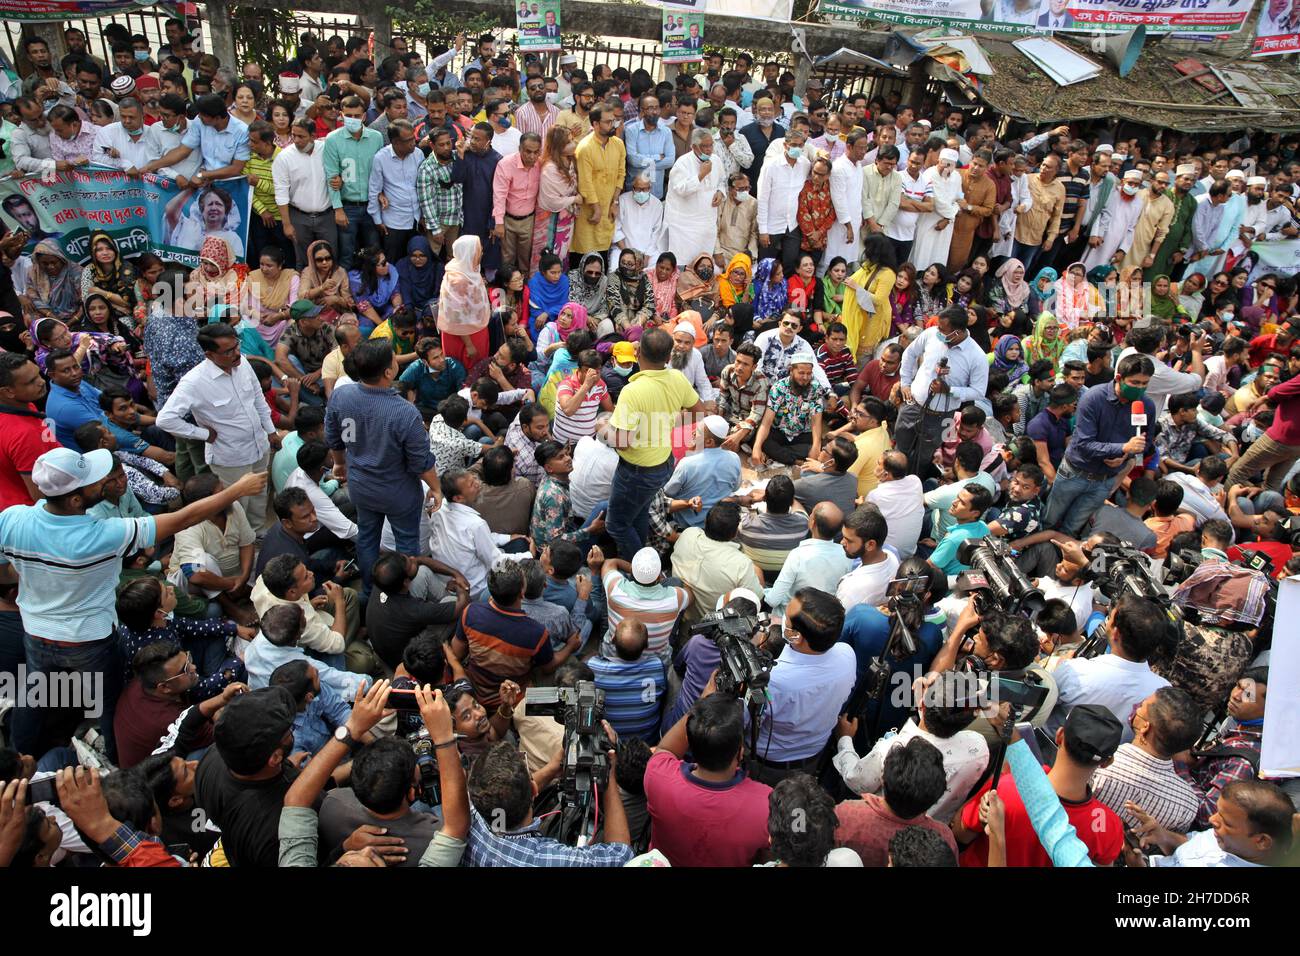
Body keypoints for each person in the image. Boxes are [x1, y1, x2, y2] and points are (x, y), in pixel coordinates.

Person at [324, 340, 441, 597]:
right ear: (388, 372)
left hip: (361, 487)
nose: (397, 360)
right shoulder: (404, 412)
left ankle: (369, 591)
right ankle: (402, 596)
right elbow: (420, 461)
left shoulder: (342, 396)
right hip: (398, 492)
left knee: (367, 538)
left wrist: (341, 463)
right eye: (393, 358)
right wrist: (436, 487)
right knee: (406, 545)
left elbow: (335, 435)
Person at [955, 704, 1125, 867]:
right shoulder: (1109, 825)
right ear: (1107, 762)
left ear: (1059, 735)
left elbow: (960, 834)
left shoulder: (1004, 789)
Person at [157, 323, 280, 531]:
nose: (236, 353)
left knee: (259, 493)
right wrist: (202, 434)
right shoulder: (194, 382)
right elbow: (165, 419)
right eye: (228, 351)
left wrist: (270, 430)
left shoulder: (244, 364)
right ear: (210, 354)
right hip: (231, 456)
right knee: (239, 504)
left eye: (237, 346)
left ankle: (259, 534)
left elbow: (258, 399)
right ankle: (242, 542)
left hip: (259, 445)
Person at [605, 328, 705, 558]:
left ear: (638, 353)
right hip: (662, 465)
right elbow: (699, 412)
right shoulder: (677, 378)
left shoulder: (632, 391)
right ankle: (644, 557)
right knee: (639, 514)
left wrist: (603, 429)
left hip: (637, 471)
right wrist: (666, 421)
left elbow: (621, 441)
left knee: (617, 525)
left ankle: (642, 570)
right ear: (669, 358)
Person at [642, 693, 773, 866]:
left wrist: (701, 704)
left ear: (687, 741)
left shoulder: (659, 776)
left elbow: (666, 749)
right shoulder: (767, 805)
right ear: (740, 752)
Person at [1042, 353, 1155, 537]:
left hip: (1104, 480)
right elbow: (1083, 444)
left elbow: (1146, 442)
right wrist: (1123, 448)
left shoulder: (1146, 405)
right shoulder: (1093, 398)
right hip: (1075, 472)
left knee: (1072, 527)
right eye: (1135, 383)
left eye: (1145, 384)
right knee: (1049, 520)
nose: (1140, 388)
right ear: (1119, 378)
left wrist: (1126, 456)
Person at [751, 588, 855, 786]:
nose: (781, 621)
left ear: (796, 636)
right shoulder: (847, 655)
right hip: (814, 756)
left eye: (786, 620)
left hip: (769, 765)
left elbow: (750, 721)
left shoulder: (775, 680)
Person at [895, 306, 989, 478]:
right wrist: (905, 383)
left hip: (943, 416)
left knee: (923, 459)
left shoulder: (977, 356)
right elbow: (909, 354)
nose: (938, 331)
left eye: (943, 329)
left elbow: (978, 391)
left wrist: (949, 390)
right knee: (899, 452)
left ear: (958, 332)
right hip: (912, 405)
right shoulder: (930, 334)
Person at [866, 450, 925, 560]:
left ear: (886, 474)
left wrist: (862, 505)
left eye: (879, 463)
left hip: (888, 556)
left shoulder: (876, 496)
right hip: (910, 552)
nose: (876, 465)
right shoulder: (915, 481)